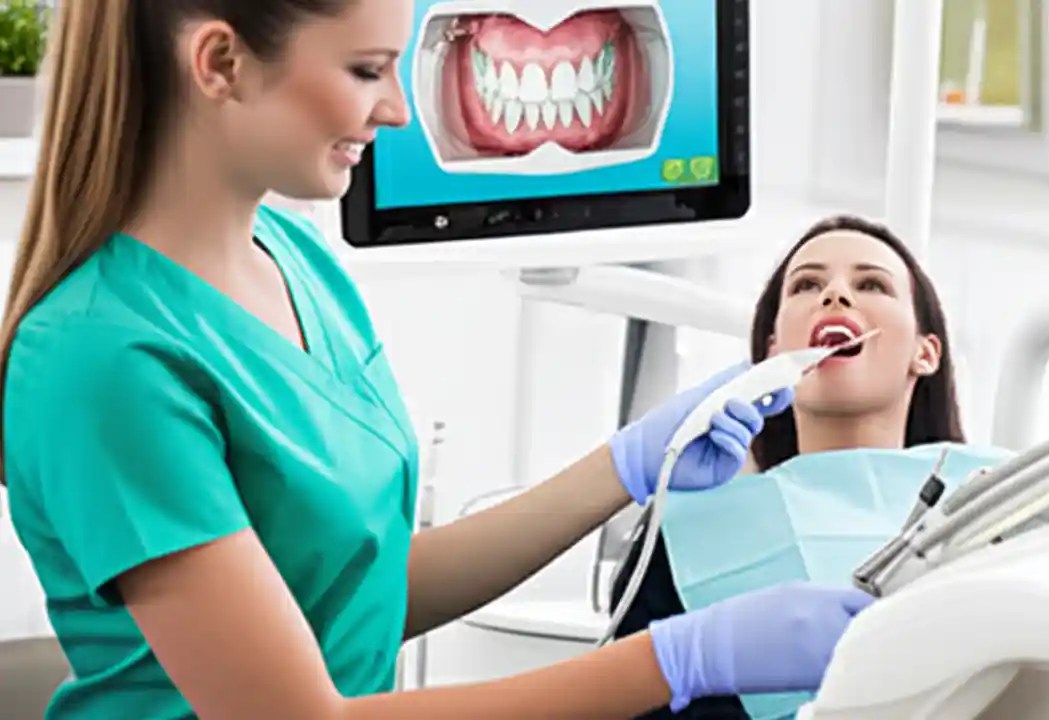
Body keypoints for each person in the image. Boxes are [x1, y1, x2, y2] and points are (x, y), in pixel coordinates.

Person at [0, 3, 873, 719]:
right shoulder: (103, 359)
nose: (397, 112)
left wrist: (626, 465)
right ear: (221, 63)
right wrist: (685, 657)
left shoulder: (292, 260)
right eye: (366, 71)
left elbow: (368, 588)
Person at [610, 214, 968, 719]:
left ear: (925, 352)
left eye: (871, 284)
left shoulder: (989, 504)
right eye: (807, 284)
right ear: (773, 350)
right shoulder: (691, 537)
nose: (836, 295)